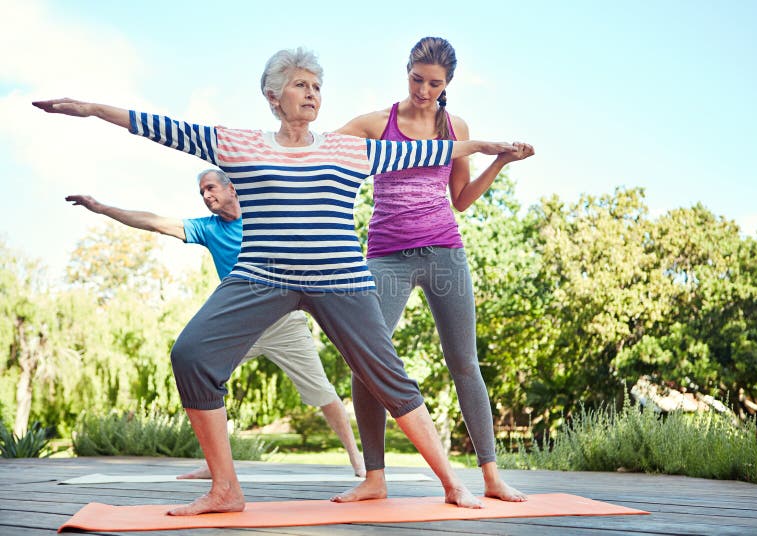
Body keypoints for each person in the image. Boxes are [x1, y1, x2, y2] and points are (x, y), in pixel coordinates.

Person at [33, 46, 522, 516]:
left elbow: (425, 152)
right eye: (300, 85)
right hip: (261, 276)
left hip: (339, 279)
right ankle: (225, 489)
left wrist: (484, 147)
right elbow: (164, 128)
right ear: (273, 96)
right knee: (191, 355)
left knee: (386, 373)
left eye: (316, 87)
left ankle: (452, 482)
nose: (311, 93)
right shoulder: (239, 145)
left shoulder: (348, 149)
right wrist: (93, 109)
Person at [334, 36, 534, 504]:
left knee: (465, 363)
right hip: (387, 255)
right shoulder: (376, 123)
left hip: (445, 252)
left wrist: (499, 162)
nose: (424, 91)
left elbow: (460, 200)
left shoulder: (455, 128)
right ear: (407, 72)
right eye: (417, 79)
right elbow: (317, 146)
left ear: (448, 84)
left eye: (434, 84)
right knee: (366, 362)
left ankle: (491, 477)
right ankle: (375, 478)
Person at [65, 169, 365, 479]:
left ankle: (357, 459)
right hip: (239, 325)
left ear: (231, 188)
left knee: (321, 392)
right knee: (199, 378)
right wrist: (101, 208)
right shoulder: (208, 228)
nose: (206, 196)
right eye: (202, 192)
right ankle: (214, 464)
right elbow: (154, 222)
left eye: (210, 188)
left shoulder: (263, 219)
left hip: (284, 323)